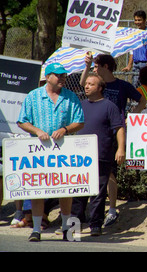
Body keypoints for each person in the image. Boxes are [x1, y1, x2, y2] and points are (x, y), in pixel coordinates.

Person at [17, 62, 84, 241]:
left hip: (64, 152)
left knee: (65, 189)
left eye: (64, 75)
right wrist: (37, 131)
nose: (63, 78)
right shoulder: (33, 96)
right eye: (58, 75)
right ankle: (36, 229)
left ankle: (65, 228)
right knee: (38, 190)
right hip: (39, 152)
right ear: (48, 77)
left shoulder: (71, 97)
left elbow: (80, 121)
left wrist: (65, 129)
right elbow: (22, 121)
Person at [80, 54, 146, 227]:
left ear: (106, 67)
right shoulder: (93, 84)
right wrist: (86, 66)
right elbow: (82, 83)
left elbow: (142, 100)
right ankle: (87, 212)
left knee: (110, 173)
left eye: (96, 66)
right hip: (94, 134)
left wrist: (131, 117)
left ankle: (111, 210)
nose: (94, 70)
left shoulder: (123, 85)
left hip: (114, 134)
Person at [71, 74, 125, 236]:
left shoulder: (109, 106)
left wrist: (120, 149)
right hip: (80, 157)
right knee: (78, 191)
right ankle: (75, 224)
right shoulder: (80, 105)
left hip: (101, 155)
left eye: (91, 84)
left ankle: (96, 225)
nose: (86, 86)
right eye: (86, 84)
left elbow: (119, 128)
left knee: (98, 192)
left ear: (100, 88)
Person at [122, 10, 147, 86]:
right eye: (136, 20)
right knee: (135, 86)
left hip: (145, 64)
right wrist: (129, 65)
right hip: (136, 64)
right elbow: (132, 51)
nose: (137, 22)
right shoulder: (134, 33)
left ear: (144, 20)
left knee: (146, 86)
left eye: (139, 20)